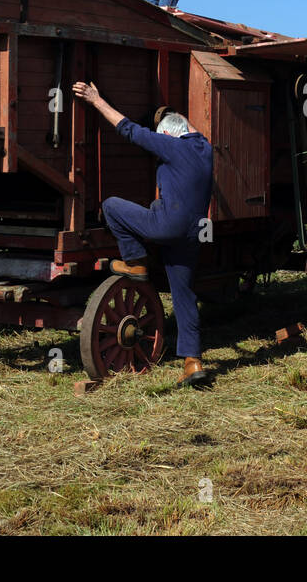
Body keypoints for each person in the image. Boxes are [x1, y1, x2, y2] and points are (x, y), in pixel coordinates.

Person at [71, 81, 215, 388]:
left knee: (111, 206)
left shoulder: (171, 146)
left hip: (168, 225)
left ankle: (136, 262)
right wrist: (170, 115)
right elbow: (183, 127)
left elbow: (128, 129)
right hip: (195, 233)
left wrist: (96, 100)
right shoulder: (204, 148)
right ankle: (193, 363)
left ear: (165, 136)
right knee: (184, 296)